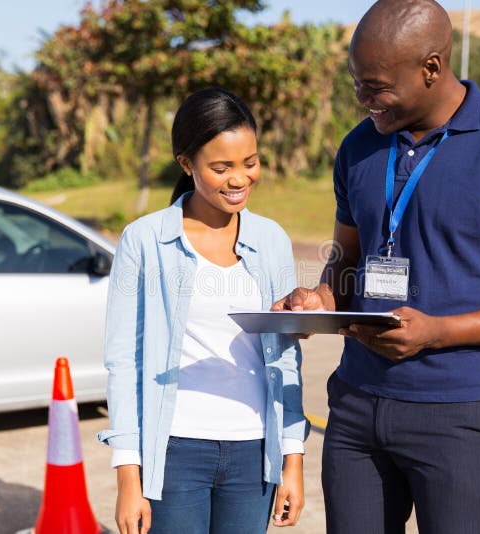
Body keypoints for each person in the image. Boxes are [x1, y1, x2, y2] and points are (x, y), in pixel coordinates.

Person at [272, 0, 480, 532]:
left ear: (431, 68)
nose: (362, 99)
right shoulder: (358, 147)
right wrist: (320, 300)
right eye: (356, 84)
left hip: (461, 412)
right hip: (357, 405)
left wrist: (439, 332)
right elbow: (346, 260)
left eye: (375, 86)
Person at [98, 88, 309, 534]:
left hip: (254, 452)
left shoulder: (271, 240)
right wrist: (128, 477)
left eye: (250, 162)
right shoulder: (144, 240)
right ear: (186, 163)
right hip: (174, 450)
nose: (240, 179)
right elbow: (124, 362)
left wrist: (292, 459)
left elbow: (287, 356)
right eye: (221, 167)